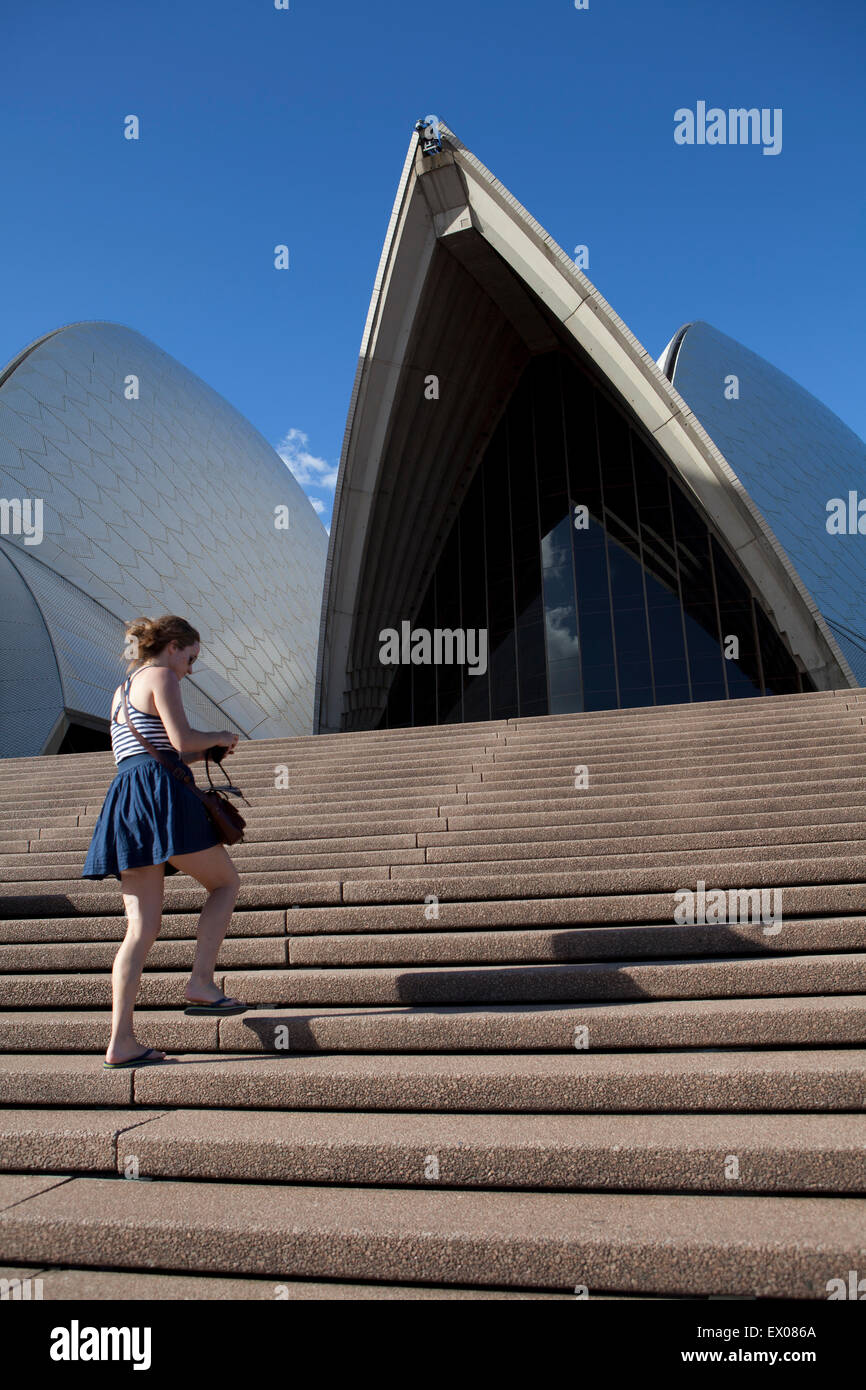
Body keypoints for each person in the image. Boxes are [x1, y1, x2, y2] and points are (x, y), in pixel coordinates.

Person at [82, 615, 246, 1068]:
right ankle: (201, 983)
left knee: (140, 928)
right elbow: (180, 738)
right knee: (225, 884)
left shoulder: (121, 690)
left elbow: (153, 747)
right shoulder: (161, 675)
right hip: (161, 798)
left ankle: (121, 1041)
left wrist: (206, 750)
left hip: (127, 798)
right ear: (173, 646)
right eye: (191, 658)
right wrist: (220, 736)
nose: (190, 670)